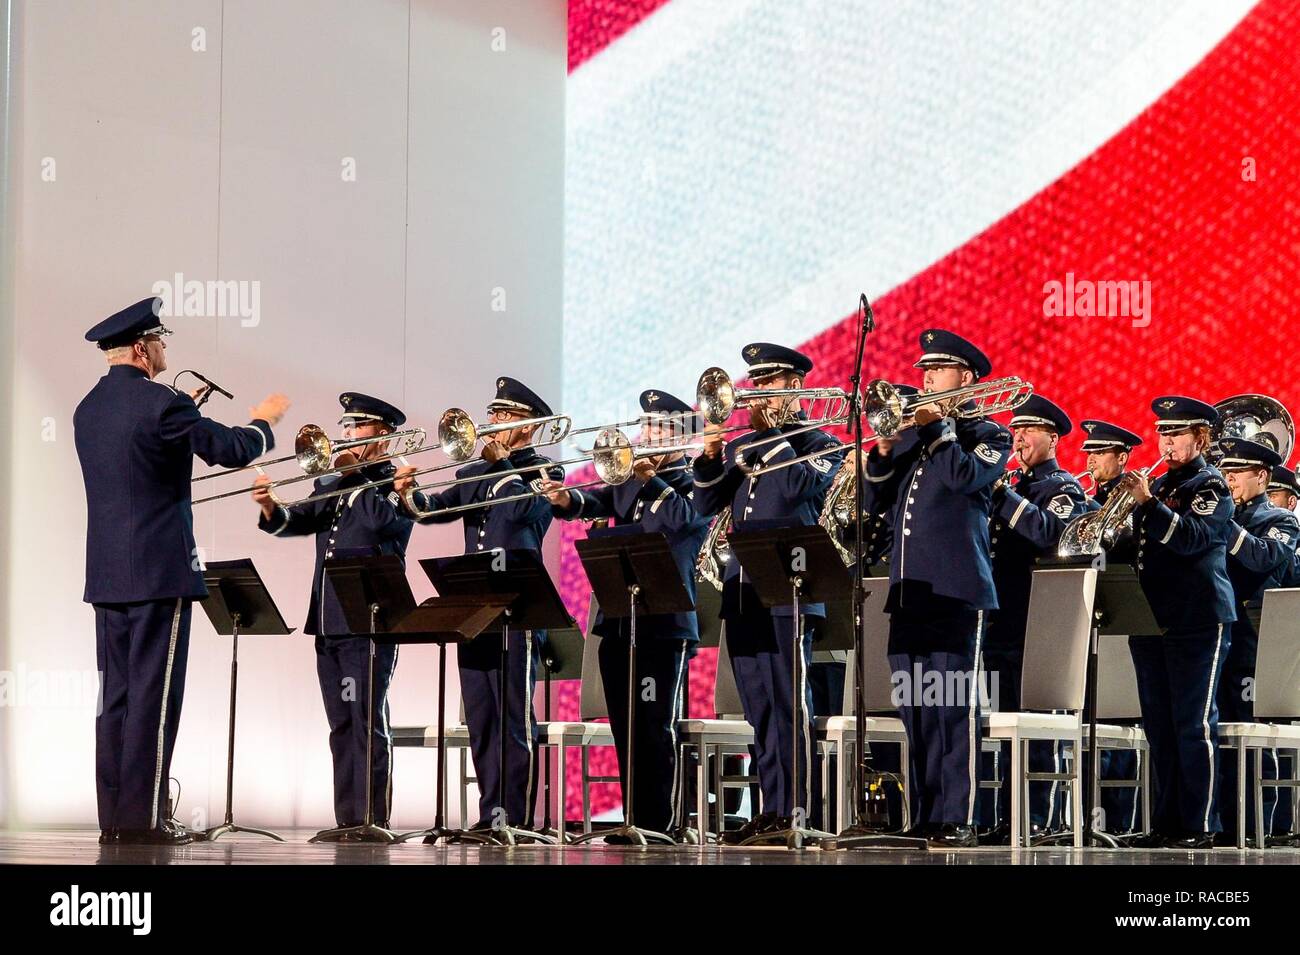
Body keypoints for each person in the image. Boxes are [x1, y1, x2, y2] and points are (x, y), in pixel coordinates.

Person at [74, 296, 288, 845]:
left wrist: (180, 414)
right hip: (159, 573)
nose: (166, 348)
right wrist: (266, 419)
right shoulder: (163, 406)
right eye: (162, 341)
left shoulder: (88, 409)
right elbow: (233, 449)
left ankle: (116, 820)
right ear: (144, 349)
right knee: (154, 695)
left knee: (116, 698)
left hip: (107, 576)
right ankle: (144, 822)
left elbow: (135, 466)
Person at [862, 328, 1011, 848]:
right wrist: (882, 451)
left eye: (936, 371)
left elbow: (963, 478)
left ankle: (956, 815)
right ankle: (925, 813)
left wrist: (939, 430)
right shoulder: (913, 438)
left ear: (965, 379)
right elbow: (873, 502)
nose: (923, 379)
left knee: (951, 707)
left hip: (955, 589)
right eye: (923, 370)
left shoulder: (988, 435)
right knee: (915, 708)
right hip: (908, 590)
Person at [540, 389, 711, 840]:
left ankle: (661, 823)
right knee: (625, 724)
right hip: (619, 618)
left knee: (654, 725)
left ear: (679, 437)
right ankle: (633, 817)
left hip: (665, 621)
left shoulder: (696, 479)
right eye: (646, 426)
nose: (647, 435)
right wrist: (564, 501)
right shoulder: (628, 479)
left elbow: (684, 521)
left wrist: (651, 479)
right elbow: (594, 503)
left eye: (657, 428)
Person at [394, 377, 562, 833]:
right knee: (483, 719)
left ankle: (517, 818)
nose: (494, 423)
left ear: (530, 426)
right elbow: (433, 509)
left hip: (519, 608)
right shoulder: (474, 475)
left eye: (506, 417)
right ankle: (491, 816)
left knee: (512, 718)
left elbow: (521, 513)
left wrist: (504, 462)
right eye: (495, 414)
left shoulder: (546, 472)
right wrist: (407, 493)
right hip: (473, 609)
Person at [692, 343, 843, 843]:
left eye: (770, 383)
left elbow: (803, 487)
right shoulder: (744, 446)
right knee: (758, 704)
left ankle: (796, 809)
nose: (757, 394)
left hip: (791, 584)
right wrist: (713, 449)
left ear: (796, 386)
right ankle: (770, 806)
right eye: (756, 384)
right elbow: (705, 500)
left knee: (789, 701)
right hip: (742, 586)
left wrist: (776, 434)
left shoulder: (821, 442)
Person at [253, 393, 413, 836]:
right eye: (344, 427)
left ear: (381, 433)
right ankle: (348, 818)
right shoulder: (334, 481)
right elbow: (299, 519)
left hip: (372, 619)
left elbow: (384, 523)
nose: (345, 435)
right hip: (329, 618)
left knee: (366, 719)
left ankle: (372, 817)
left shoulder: (393, 483)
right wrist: (271, 506)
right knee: (340, 723)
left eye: (355, 428)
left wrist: (354, 475)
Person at [1119, 396, 1234, 849]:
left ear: (1200, 438)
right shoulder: (1160, 484)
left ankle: (1200, 824)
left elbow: (1190, 539)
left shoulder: (1213, 487)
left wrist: (1146, 505)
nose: (1167, 442)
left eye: (1177, 433)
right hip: (1151, 616)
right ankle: (1166, 822)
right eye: (1163, 433)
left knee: (1193, 724)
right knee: (1159, 726)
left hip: (1199, 617)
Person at [982, 395, 1090, 841]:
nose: (1018, 437)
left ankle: (1040, 819)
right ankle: (1005, 818)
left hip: (1037, 625)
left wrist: (1004, 496)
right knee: (1002, 727)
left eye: (1028, 430)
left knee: (1038, 728)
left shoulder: (1062, 488)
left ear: (1053, 437)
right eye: (1016, 428)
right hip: (1000, 622)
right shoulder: (1014, 485)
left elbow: (1052, 533)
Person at [1213, 437, 1297, 845]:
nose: (1227, 481)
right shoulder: (1223, 515)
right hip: (1218, 639)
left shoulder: (1280, 520)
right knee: (1221, 739)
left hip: (1256, 647)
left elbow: (1263, 558)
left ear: (1262, 476)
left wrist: (1223, 524)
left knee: (1259, 739)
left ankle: (1266, 825)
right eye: (1224, 473)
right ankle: (1226, 826)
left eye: (1235, 474)